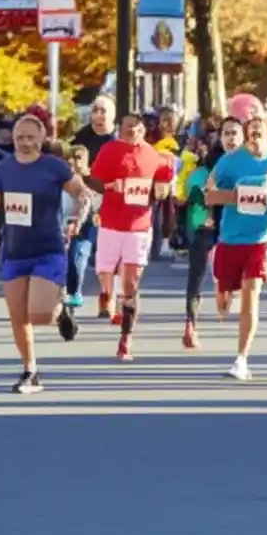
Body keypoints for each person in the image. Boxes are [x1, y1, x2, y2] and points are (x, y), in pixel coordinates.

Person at [0, 116, 90, 393]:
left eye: (30, 138)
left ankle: (60, 312)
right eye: (20, 138)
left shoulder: (54, 167)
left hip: (48, 248)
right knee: (19, 316)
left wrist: (82, 208)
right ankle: (30, 371)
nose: (25, 143)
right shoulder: (4, 169)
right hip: (15, 250)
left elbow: (80, 191)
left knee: (39, 313)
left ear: (41, 139)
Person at [205, 116, 267, 380]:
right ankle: (222, 287)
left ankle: (241, 359)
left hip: (260, 238)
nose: (255, 136)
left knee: (251, 293)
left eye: (260, 132)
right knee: (223, 303)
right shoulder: (231, 161)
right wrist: (237, 197)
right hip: (230, 237)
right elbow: (210, 193)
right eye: (251, 132)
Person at [88, 113, 175, 360]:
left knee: (131, 283)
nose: (133, 132)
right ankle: (107, 293)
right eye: (128, 127)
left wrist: (159, 190)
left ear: (143, 130)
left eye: (137, 128)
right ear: (120, 129)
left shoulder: (155, 156)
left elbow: (162, 190)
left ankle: (126, 339)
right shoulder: (109, 151)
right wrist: (110, 186)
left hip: (139, 226)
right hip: (111, 223)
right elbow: (94, 182)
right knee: (105, 273)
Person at [181, 117, 244, 349]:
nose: (231, 138)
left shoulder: (251, 162)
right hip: (207, 222)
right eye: (226, 133)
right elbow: (194, 191)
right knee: (196, 274)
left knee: (234, 273)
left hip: (236, 225)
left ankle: (226, 292)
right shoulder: (210, 163)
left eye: (235, 133)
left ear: (243, 137)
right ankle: (190, 323)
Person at [62, 145, 97, 309]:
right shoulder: (63, 179)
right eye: (70, 158)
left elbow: (94, 201)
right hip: (65, 224)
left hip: (86, 226)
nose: (74, 162)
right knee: (66, 260)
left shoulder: (92, 180)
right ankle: (65, 292)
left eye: (78, 158)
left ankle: (75, 291)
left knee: (78, 258)